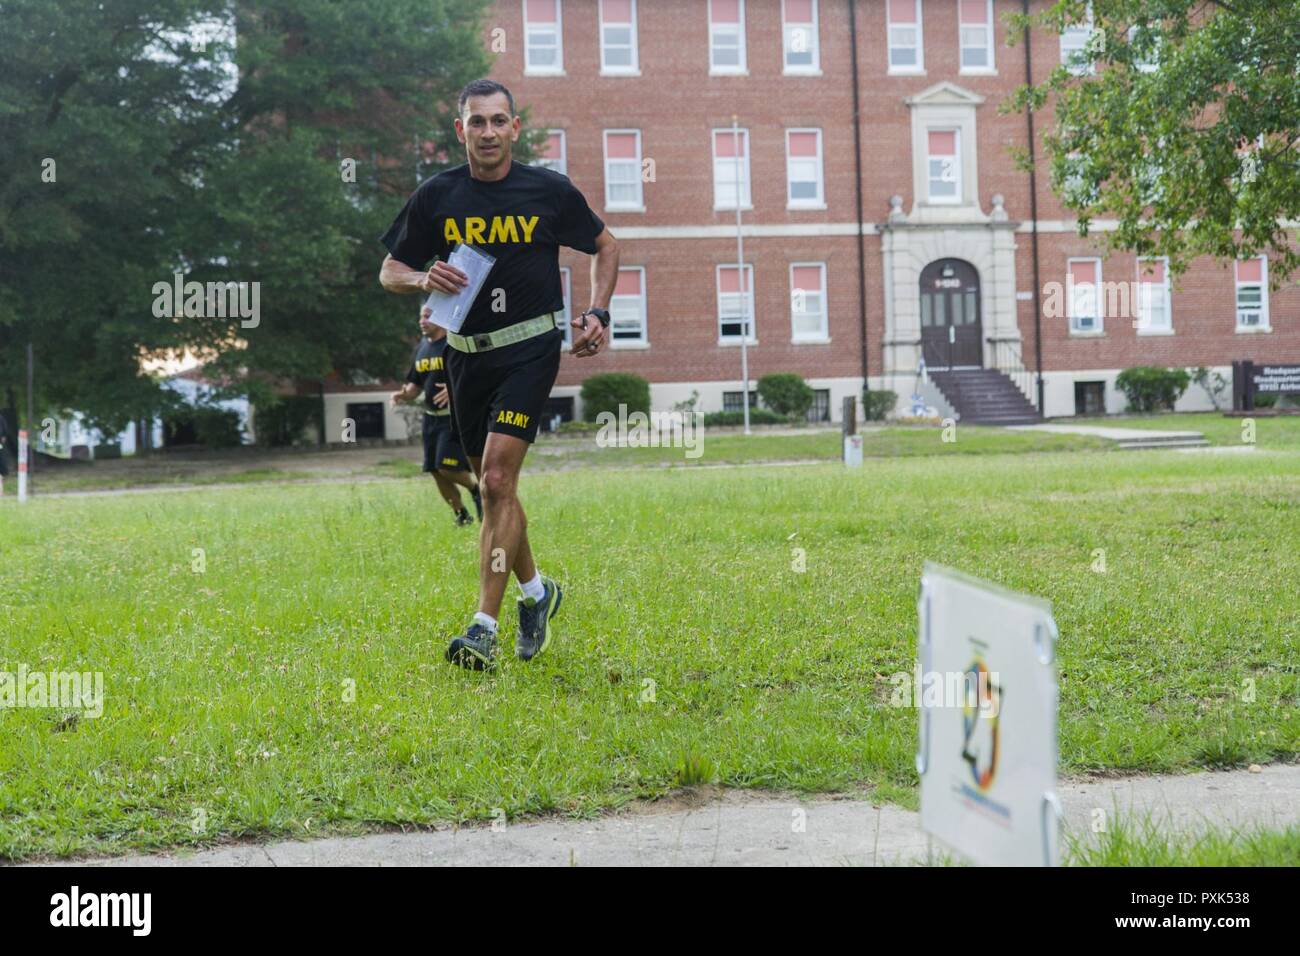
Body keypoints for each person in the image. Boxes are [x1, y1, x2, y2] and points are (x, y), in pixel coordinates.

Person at [379, 78, 619, 670]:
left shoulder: (548, 190)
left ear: (515, 128)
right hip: (465, 355)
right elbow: (390, 268)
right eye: (476, 122)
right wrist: (422, 280)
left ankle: (481, 628)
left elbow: (607, 247)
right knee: (496, 486)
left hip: (532, 348)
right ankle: (538, 594)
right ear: (460, 131)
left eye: (498, 121)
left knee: (493, 481)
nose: (488, 132)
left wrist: (598, 312)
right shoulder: (438, 196)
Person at [391, 306, 482, 526]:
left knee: (446, 467)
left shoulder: (454, 344)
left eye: (428, 316)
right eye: (420, 316)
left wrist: (455, 390)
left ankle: (476, 488)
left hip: (452, 418)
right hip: (430, 418)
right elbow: (416, 386)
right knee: (435, 471)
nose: (422, 321)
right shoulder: (421, 348)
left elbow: (474, 375)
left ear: (441, 317)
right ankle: (462, 515)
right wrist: (403, 394)